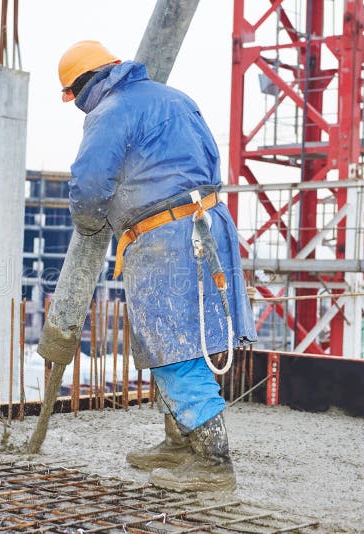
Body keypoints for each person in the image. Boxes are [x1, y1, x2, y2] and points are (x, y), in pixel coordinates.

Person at [58, 40, 257, 492]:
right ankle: (179, 443)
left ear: (83, 86)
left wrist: (90, 223)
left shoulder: (108, 113)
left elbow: (89, 189)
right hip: (207, 224)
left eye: (73, 97)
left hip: (167, 237)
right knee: (182, 341)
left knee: (174, 346)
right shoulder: (176, 98)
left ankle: (212, 462)